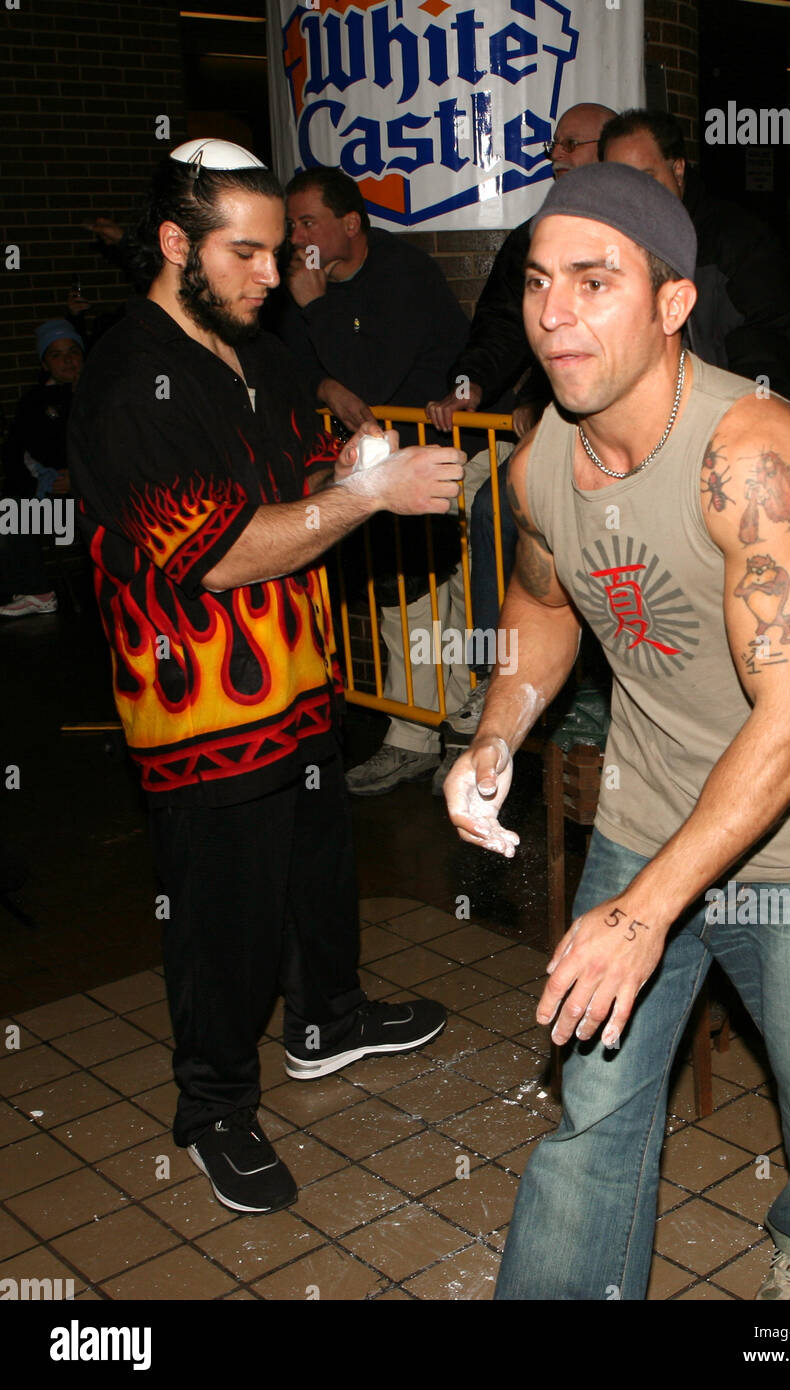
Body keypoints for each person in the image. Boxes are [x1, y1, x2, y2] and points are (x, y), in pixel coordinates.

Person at [444, 162, 790, 1300]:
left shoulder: (754, 453)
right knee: (592, 1107)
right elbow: (542, 605)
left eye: (595, 282)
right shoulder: (547, 449)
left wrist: (644, 916)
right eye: (541, 281)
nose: (554, 312)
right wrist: (497, 733)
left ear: (674, 302)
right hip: (646, 814)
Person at [69, 138, 464, 1216]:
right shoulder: (128, 378)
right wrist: (370, 500)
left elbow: (296, 475)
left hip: (292, 684)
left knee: (312, 869)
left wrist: (352, 467)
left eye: (277, 249)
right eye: (243, 252)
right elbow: (226, 550)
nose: (271, 274)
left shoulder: (258, 346)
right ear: (172, 243)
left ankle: (326, 1019)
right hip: (196, 703)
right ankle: (211, 1108)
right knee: (221, 914)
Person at [272, 166, 476, 794]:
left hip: (451, 456)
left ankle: (467, 733)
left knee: (461, 596)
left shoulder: (401, 273)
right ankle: (412, 732)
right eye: (292, 224)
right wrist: (323, 385)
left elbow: (375, 376)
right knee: (403, 596)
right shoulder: (309, 286)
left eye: (307, 222)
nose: (295, 237)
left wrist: (316, 308)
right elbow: (289, 365)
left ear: (351, 225)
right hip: (383, 466)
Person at [426, 104, 618, 751]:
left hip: (641, 437)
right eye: (552, 143)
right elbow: (505, 322)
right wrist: (474, 382)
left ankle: (613, 693)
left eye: (571, 142)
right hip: (565, 426)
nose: (556, 154)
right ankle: (498, 678)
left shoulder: (643, 231)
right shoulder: (535, 232)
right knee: (493, 509)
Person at [600, 108, 790, 402]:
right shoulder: (604, 245)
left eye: (646, 178)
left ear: (678, 170)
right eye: (619, 182)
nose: (633, 194)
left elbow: (767, 349)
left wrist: (746, 418)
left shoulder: (736, 241)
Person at [0, 319, 82, 617]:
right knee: (11, 509)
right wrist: (38, 487)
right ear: (45, 363)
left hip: (99, 497)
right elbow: (15, 452)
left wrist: (79, 480)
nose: (67, 360)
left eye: (73, 351)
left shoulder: (101, 393)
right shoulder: (35, 402)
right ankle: (36, 591)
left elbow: (116, 448)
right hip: (54, 499)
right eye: (56, 355)